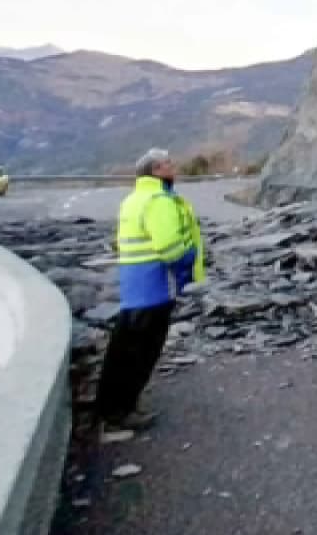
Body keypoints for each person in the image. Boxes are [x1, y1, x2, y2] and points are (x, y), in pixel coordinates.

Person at [95, 148, 206, 430]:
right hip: (157, 284)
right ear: (156, 170)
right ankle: (123, 412)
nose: (175, 167)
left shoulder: (134, 199)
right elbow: (169, 248)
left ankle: (108, 407)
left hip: (135, 285)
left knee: (123, 348)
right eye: (169, 164)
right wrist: (189, 258)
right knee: (142, 352)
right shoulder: (160, 201)